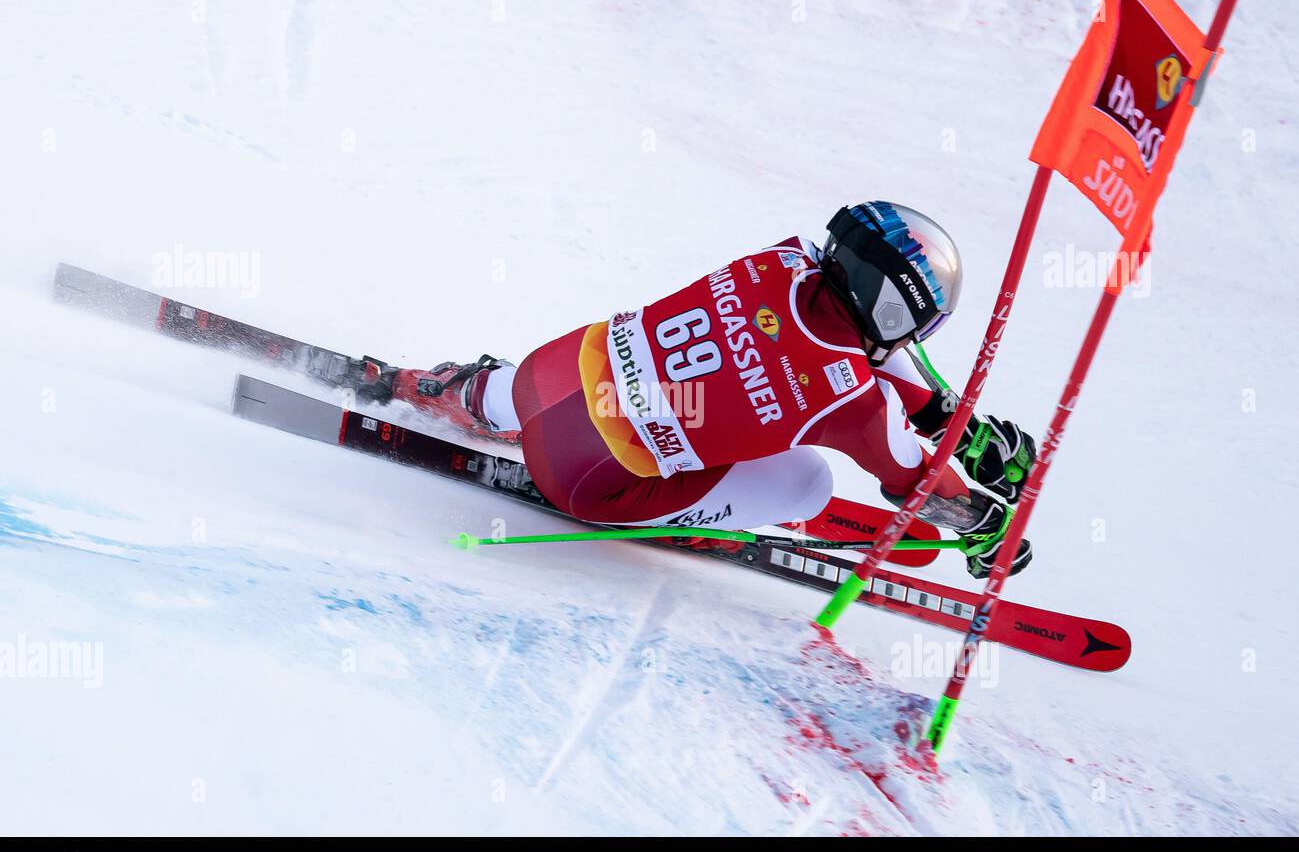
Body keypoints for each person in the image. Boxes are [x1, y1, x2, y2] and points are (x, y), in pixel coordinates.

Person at [364, 201, 1036, 578]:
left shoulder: (781, 258)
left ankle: (464, 391)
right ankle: (697, 518)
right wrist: (982, 524)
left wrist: (948, 418)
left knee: (644, 375)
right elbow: (912, 480)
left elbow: (831, 337)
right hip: (583, 481)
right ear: (893, 313)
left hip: (545, 378)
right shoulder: (854, 405)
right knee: (809, 483)